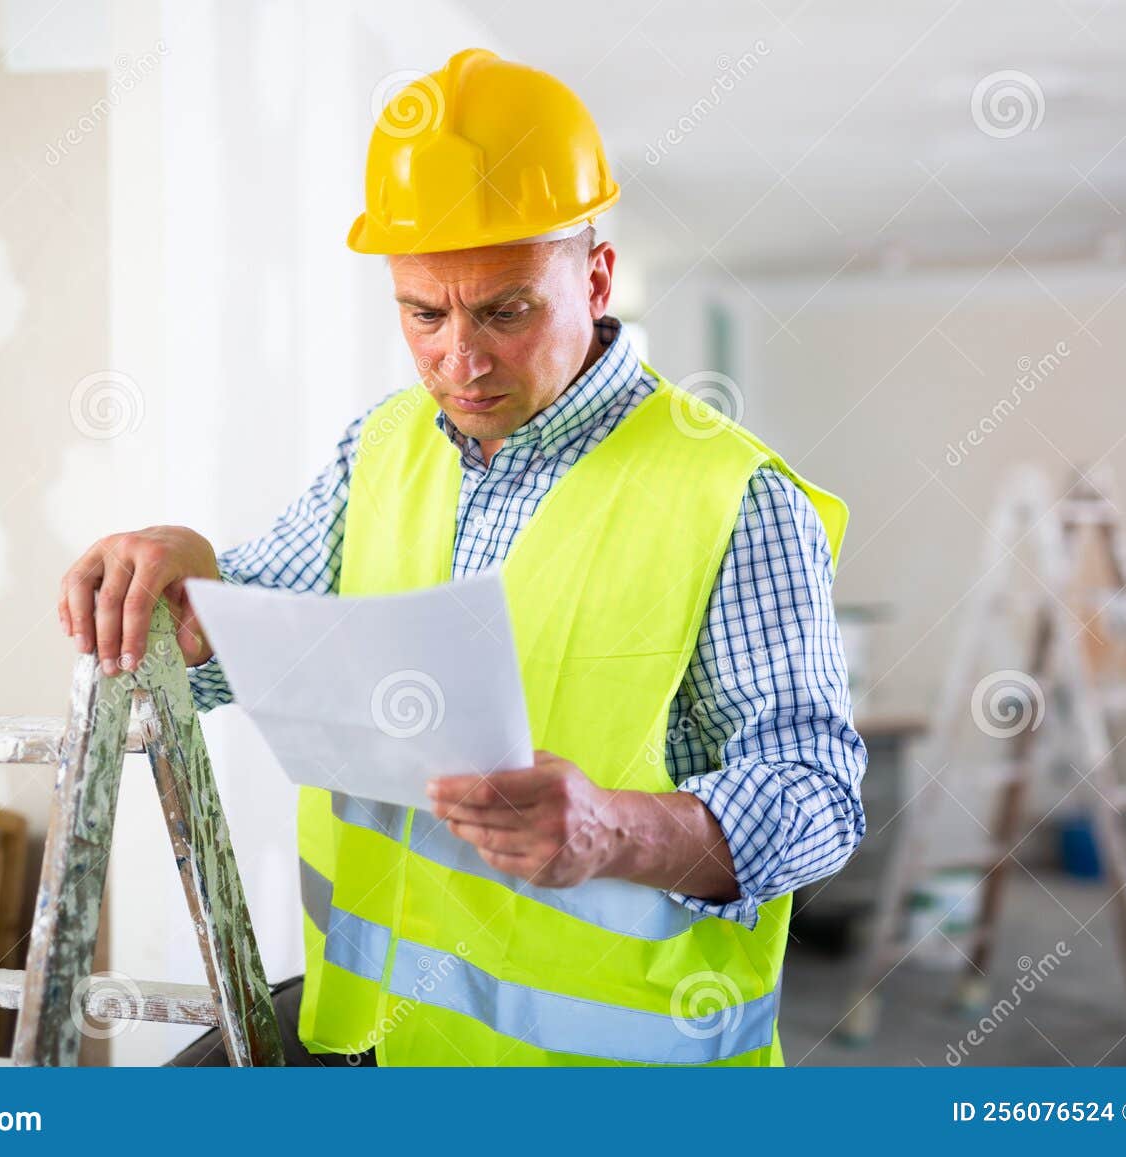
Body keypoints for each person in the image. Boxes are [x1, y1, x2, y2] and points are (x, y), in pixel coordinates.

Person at [57, 48, 866, 1067]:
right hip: (376, 1038)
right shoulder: (383, 447)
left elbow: (818, 801)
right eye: (424, 313)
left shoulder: (733, 496)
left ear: (596, 274)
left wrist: (613, 829)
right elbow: (255, 638)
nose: (461, 360)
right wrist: (187, 594)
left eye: (504, 310)